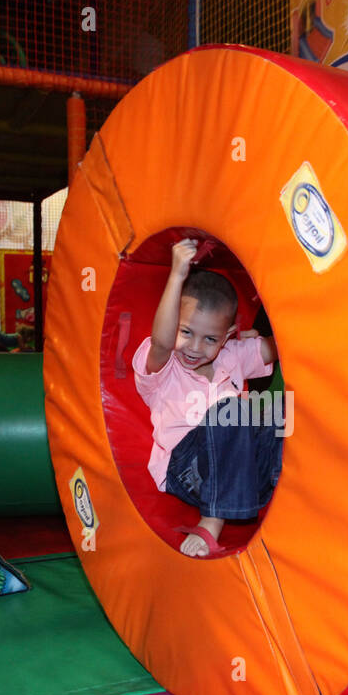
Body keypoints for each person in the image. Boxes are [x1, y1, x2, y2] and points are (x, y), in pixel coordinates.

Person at [132, 238, 281, 557]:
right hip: (187, 468)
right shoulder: (164, 365)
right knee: (231, 410)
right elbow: (161, 342)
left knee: (280, 412)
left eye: (210, 338)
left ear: (227, 337)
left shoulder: (234, 354)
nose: (195, 347)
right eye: (186, 332)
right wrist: (176, 276)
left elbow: (283, 346)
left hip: (244, 470)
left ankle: (288, 491)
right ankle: (212, 521)